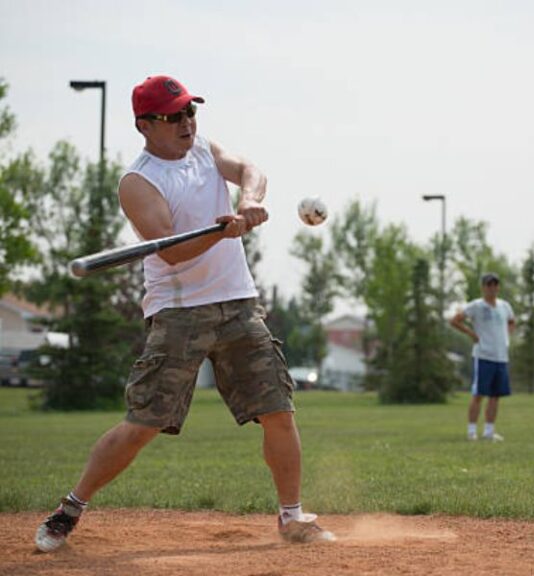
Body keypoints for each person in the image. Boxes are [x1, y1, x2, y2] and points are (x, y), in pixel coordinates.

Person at [35, 75, 334, 552]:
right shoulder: (138, 181)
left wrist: (249, 201)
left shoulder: (205, 152)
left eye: (190, 112)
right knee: (143, 423)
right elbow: (173, 252)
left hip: (237, 302)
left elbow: (251, 169)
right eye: (173, 116)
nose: (186, 122)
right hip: (178, 312)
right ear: (145, 125)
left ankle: (292, 517)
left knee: (278, 410)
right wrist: (225, 231)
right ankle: (69, 509)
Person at [450, 273, 516, 442]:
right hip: (484, 355)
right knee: (479, 394)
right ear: (483, 287)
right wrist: (471, 333)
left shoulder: (504, 306)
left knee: (496, 395)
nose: (492, 288)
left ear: (498, 287)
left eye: (495, 285)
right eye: (488, 285)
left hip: (501, 356)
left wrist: (507, 337)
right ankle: (472, 430)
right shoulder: (476, 306)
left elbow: (511, 321)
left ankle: (489, 431)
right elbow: (455, 320)